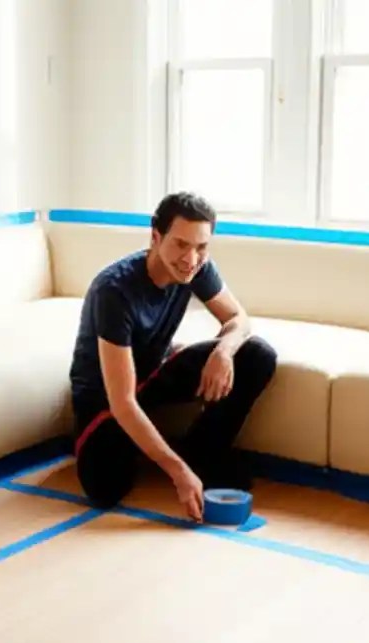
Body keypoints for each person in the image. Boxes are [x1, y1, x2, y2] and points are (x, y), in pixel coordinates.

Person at [68, 192, 278, 521]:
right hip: (107, 403)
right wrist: (178, 473)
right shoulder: (114, 291)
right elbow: (121, 402)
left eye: (201, 247)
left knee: (257, 355)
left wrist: (223, 351)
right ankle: (174, 460)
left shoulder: (197, 268)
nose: (191, 259)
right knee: (104, 490)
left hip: (152, 377)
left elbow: (239, 320)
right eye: (181, 245)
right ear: (155, 237)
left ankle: (202, 453)